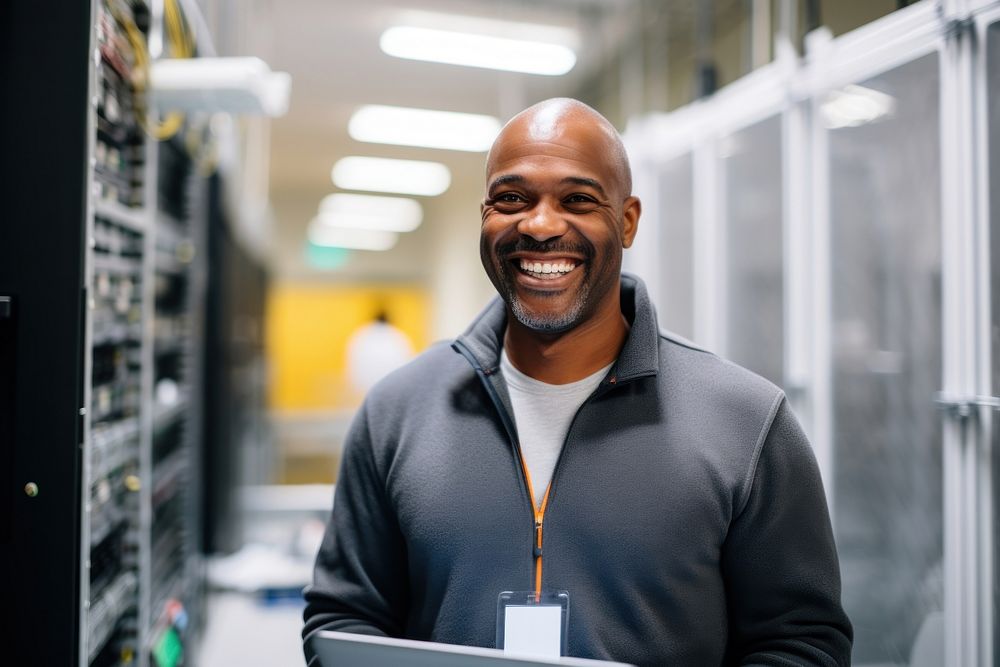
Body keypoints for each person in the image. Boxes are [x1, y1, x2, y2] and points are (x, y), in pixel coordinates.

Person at [302, 98, 852, 666]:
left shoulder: (746, 421)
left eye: (578, 200)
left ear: (628, 220)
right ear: (485, 216)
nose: (540, 225)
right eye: (511, 198)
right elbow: (345, 620)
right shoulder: (398, 410)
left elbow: (802, 644)